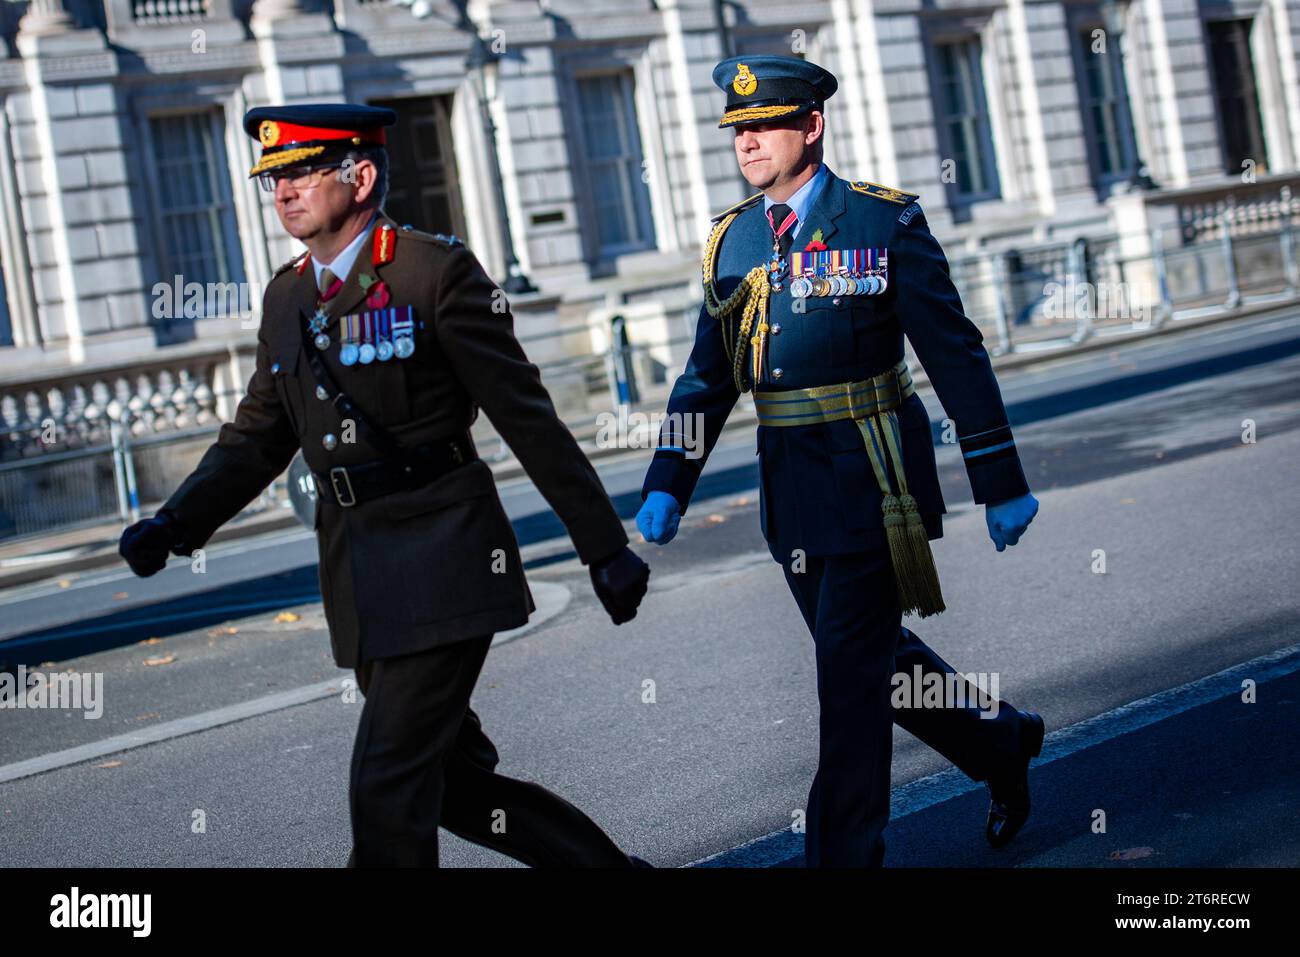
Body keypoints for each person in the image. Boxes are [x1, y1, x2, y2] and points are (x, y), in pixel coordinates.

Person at [119, 103, 651, 867]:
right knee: (449, 787)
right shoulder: (288, 297)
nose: (283, 192)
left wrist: (605, 547)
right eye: (275, 178)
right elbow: (258, 435)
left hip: (445, 560)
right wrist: (174, 524)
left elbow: (527, 419)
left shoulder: (432, 271)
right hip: (361, 573)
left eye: (301, 173)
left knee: (385, 788)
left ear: (360, 176)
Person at [636, 56, 1044, 867]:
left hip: (875, 480)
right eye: (737, 131)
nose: (747, 142)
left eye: (763, 126)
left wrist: (998, 478)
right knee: (873, 663)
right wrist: (668, 479)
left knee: (846, 688)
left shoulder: (882, 223)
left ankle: (842, 858)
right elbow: (705, 378)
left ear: (811, 126)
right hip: (791, 491)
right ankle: (999, 741)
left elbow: (954, 354)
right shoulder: (735, 238)